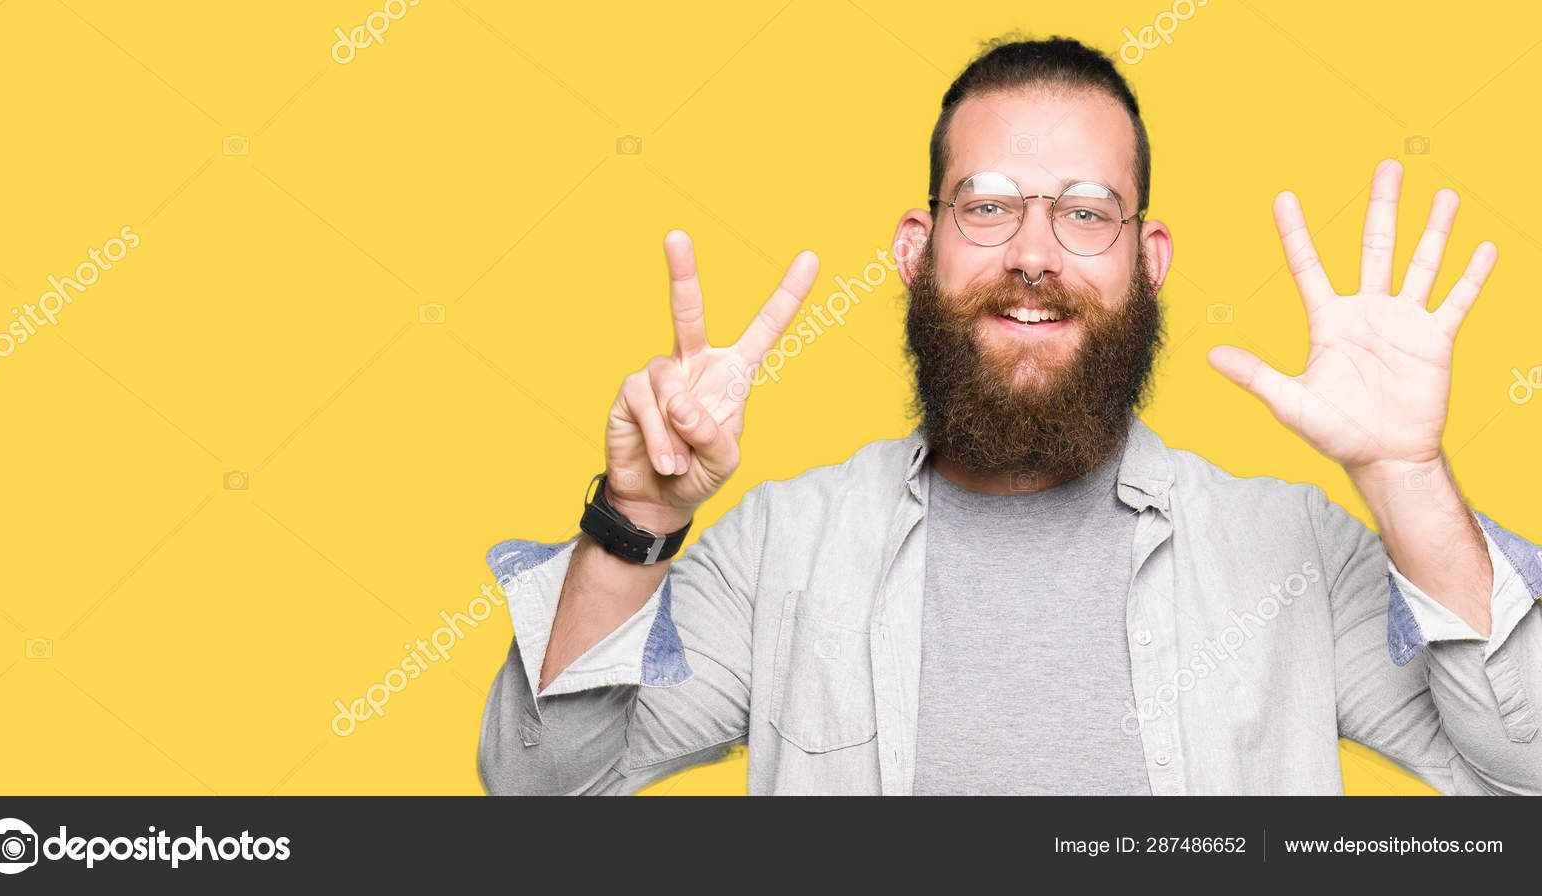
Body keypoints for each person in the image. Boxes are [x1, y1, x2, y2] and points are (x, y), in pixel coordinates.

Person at [476, 35, 1542, 795]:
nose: (1033, 252)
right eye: (986, 205)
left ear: (1147, 259)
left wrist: (1406, 474)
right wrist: (634, 517)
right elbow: (535, 784)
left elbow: (1524, 767)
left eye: (1085, 212)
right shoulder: (783, 549)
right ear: (913, 247)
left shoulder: (1289, 551)